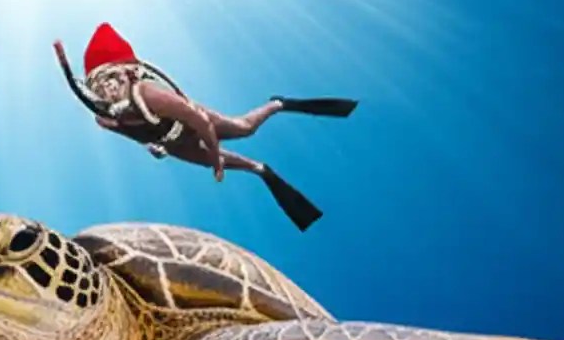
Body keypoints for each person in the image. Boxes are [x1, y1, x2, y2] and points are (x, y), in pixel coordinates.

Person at [54, 22, 358, 231]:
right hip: (175, 144)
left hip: (195, 124)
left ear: (129, 74)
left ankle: (278, 104)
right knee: (253, 168)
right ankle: (265, 172)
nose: (106, 90)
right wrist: (148, 143)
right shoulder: (109, 115)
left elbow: (198, 120)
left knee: (244, 128)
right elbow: (131, 132)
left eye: (110, 79)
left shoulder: (149, 94)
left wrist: (215, 156)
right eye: (97, 84)